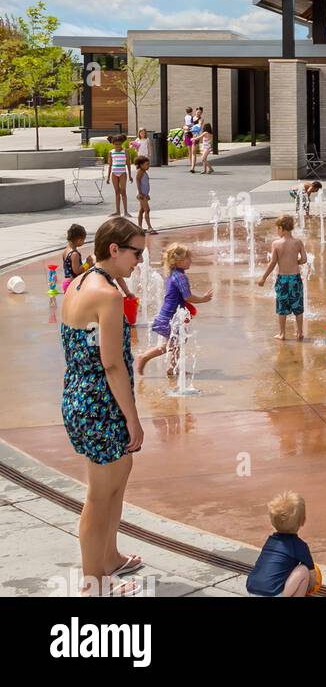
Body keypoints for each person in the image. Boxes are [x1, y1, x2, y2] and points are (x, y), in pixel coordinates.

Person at [60, 215, 147, 596]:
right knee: (98, 496)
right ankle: (93, 584)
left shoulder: (80, 282)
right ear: (114, 249)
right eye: (136, 252)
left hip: (79, 397)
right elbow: (112, 364)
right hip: (100, 404)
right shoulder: (106, 296)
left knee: (119, 473)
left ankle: (108, 558)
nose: (140, 261)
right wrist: (133, 419)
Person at [136, 242, 212, 376]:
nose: (191, 261)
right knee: (174, 342)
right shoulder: (180, 276)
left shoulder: (174, 274)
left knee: (179, 340)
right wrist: (203, 299)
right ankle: (145, 357)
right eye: (188, 258)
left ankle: (173, 367)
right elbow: (188, 297)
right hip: (170, 316)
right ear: (177, 261)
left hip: (169, 314)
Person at [246, 492, 320, 598]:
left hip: (252, 590)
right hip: (272, 594)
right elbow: (313, 575)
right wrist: (311, 586)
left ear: (272, 521)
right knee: (303, 570)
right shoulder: (299, 546)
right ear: (303, 521)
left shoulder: (270, 541)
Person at [258, 214, 308, 341]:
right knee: (298, 306)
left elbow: (273, 263)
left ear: (281, 228)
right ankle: (300, 332)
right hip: (295, 278)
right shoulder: (298, 242)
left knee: (282, 307)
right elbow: (304, 259)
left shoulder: (276, 244)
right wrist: (296, 262)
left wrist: (263, 277)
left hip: (283, 279)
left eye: (277, 229)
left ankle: (282, 333)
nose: (277, 231)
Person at [103, 136, 132, 217]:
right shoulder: (111, 152)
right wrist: (108, 177)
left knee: (123, 192)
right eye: (116, 144)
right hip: (114, 173)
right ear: (113, 144)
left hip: (122, 172)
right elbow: (110, 165)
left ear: (122, 143)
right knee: (116, 192)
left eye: (119, 144)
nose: (118, 146)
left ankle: (125, 211)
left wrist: (130, 176)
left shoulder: (125, 151)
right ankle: (117, 211)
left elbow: (128, 164)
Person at [62, 224, 89, 292]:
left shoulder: (65, 251)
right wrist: (88, 264)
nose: (84, 242)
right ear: (78, 240)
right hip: (73, 283)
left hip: (66, 282)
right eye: (83, 240)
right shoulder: (75, 254)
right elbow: (76, 271)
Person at [133, 156, 155, 234]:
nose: (148, 166)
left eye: (148, 164)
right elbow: (138, 182)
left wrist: (147, 194)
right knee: (147, 210)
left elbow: (145, 184)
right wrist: (140, 192)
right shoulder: (140, 172)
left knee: (142, 210)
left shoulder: (144, 172)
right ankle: (149, 227)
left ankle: (139, 227)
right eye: (147, 164)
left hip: (144, 194)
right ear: (141, 165)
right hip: (141, 194)